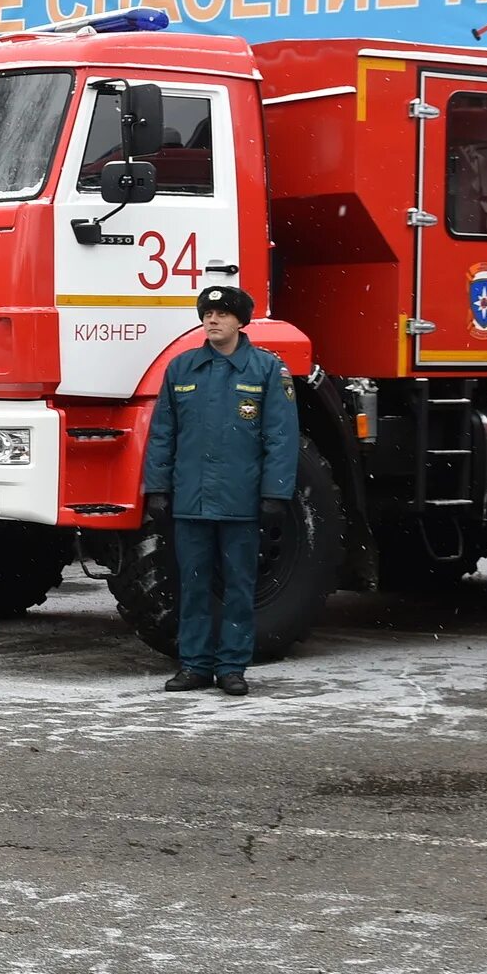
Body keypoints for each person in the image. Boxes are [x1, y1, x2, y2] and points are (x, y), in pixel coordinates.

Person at [142, 286, 299, 697]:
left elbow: (281, 437)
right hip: (191, 501)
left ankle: (232, 667)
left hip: (241, 501)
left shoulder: (266, 370)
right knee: (191, 585)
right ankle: (194, 666)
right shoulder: (181, 369)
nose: (212, 321)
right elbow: (163, 433)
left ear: (240, 321)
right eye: (208, 313)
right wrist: (156, 487)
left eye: (222, 314)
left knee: (238, 586)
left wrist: (275, 494)